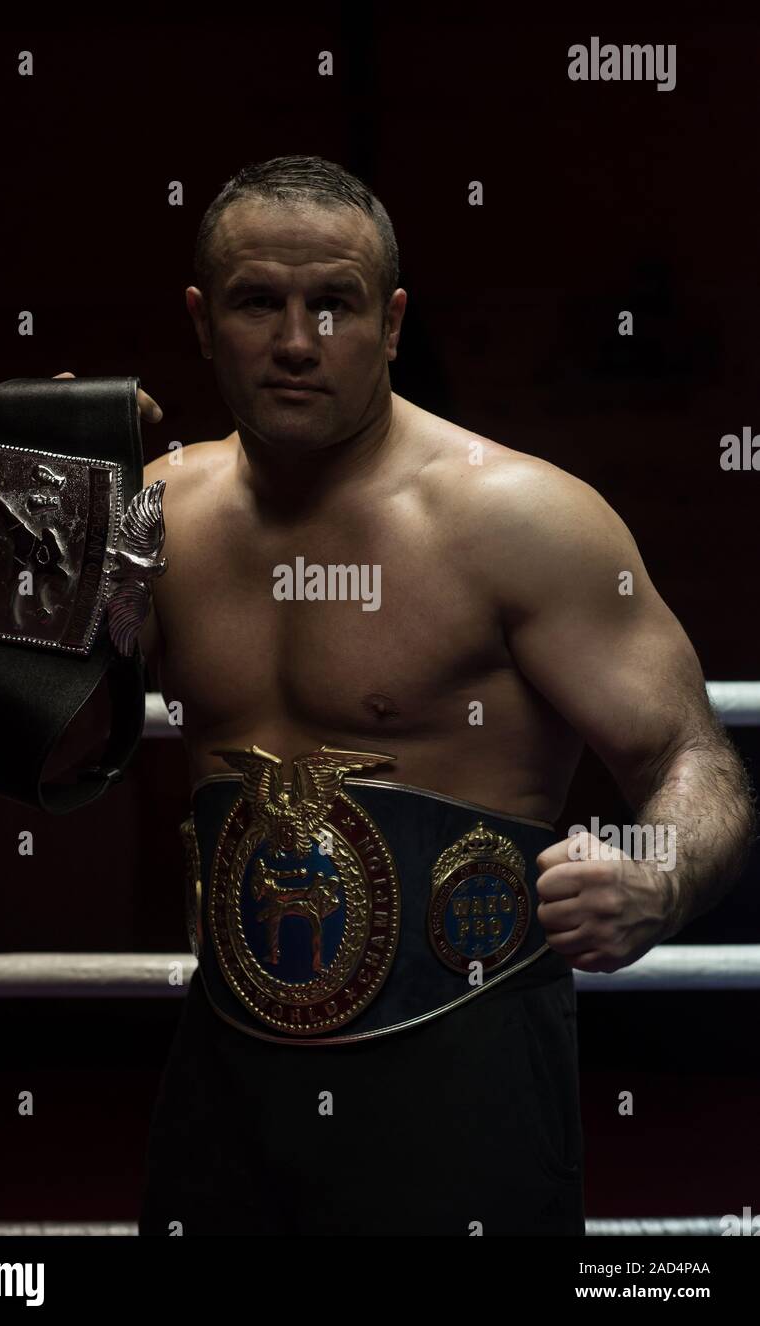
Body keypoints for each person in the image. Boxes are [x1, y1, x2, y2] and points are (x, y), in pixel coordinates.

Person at [54, 155, 754, 1236]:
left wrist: (657, 873)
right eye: (258, 303)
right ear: (202, 320)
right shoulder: (152, 517)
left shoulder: (524, 521)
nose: (297, 341)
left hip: (465, 1076)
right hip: (228, 1077)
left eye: (333, 303)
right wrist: (34, 562)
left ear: (390, 322)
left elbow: (695, 761)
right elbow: (43, 754)